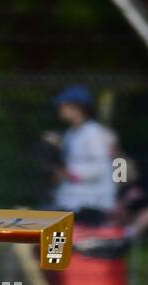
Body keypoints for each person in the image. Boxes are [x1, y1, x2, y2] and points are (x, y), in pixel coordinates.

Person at [49, 85, 117, 225]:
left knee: (76, 243)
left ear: (79, 108)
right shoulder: (71, 133)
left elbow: (101, 167)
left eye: (65, 106)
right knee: (57, 241)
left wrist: (71, 174)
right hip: (72, 200)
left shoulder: (93, 132)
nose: (60, 109)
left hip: (91, 201)